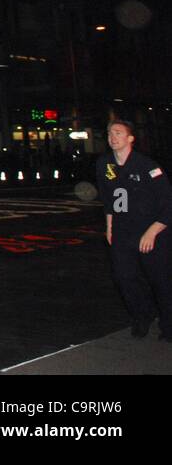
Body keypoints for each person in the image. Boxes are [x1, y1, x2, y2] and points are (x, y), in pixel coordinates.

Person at [97, 119, 172, 340]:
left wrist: (152, 231)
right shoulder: (105, 164)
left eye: (118, 133)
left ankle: (168, 324)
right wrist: (109, 226)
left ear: (130, 138)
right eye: (110, 133)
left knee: (160, 279)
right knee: (124, 278)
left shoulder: (147, 166)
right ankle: (142, 315)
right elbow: (107, 198)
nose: (113, 137)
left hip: (151, 230)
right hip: (122, 231)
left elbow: (168, 203)